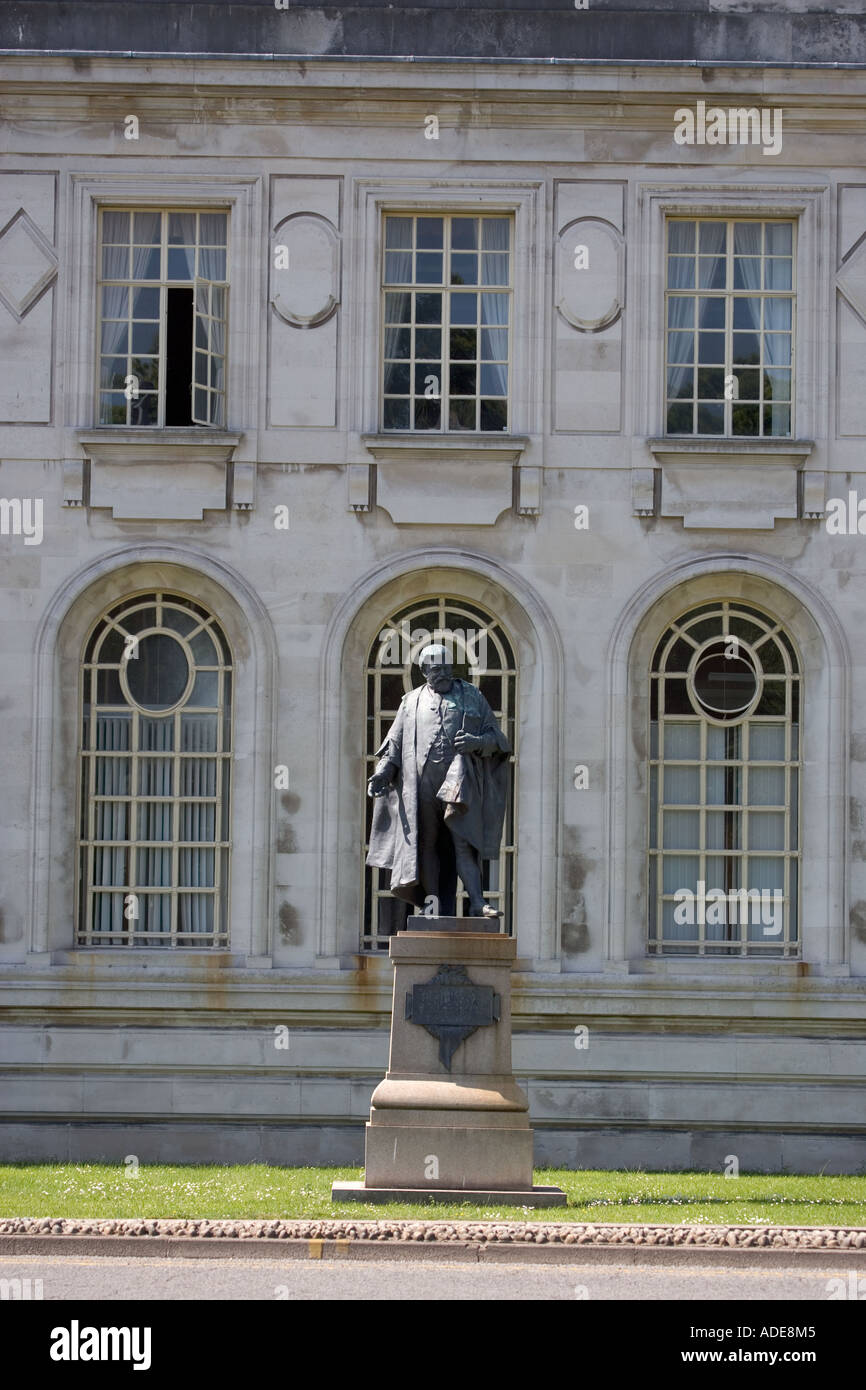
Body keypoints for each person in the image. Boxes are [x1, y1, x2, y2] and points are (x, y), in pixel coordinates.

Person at [366, 643, 510, 919]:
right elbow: (393, 745)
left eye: (447, 668)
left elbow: (499, 741)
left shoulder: (471, 695)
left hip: (460, 783)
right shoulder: (410, 701)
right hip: (421, 787)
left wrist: (476, 742)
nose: (443, 674)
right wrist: (383, 772)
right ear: (423, 671)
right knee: (426, 845)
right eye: (436, 670)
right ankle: (431, 908)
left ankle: (477, 902)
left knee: (463, 843)